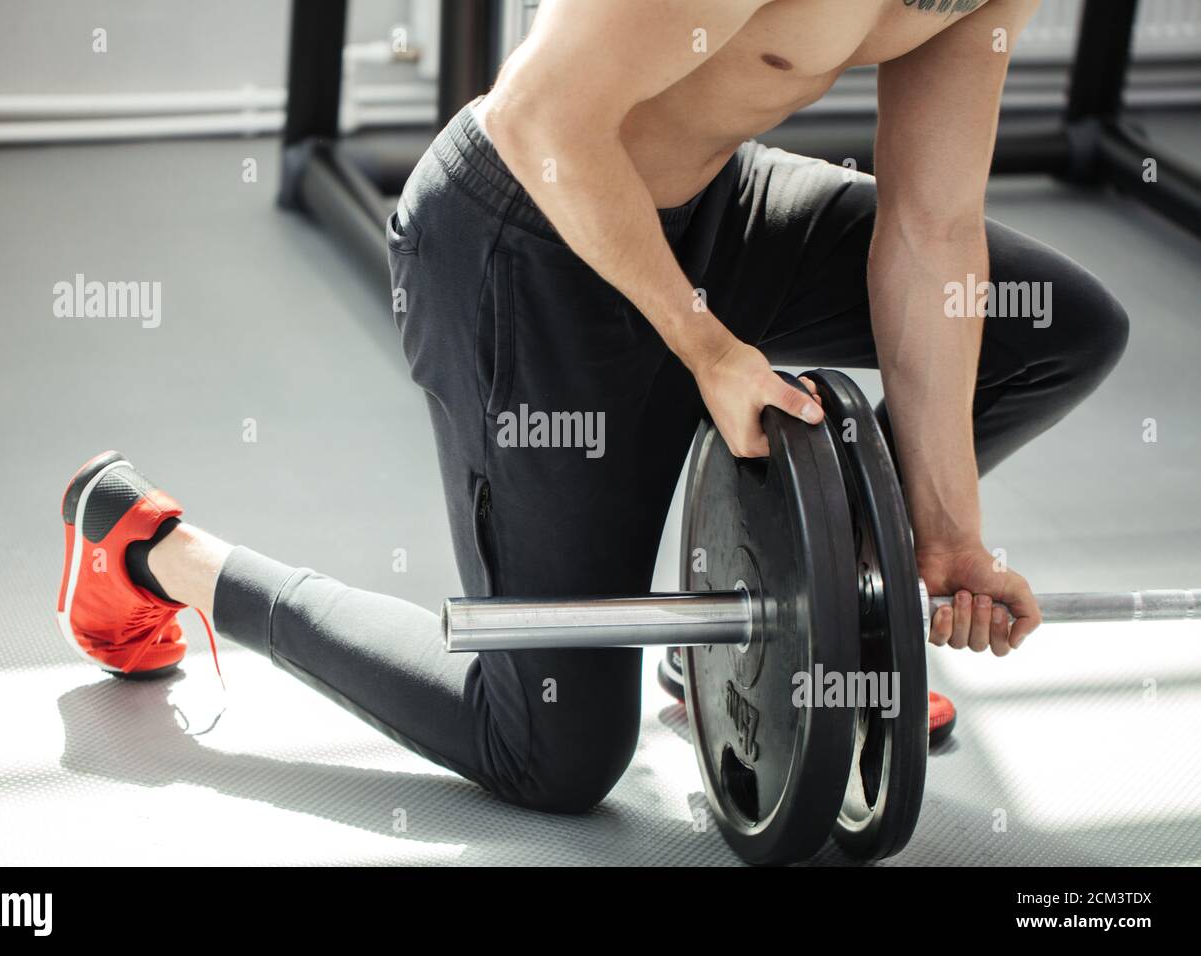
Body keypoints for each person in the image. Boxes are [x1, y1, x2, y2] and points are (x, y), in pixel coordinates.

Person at [56, 0, 1129, 815]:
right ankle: (158, 551)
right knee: (551, 754)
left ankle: (762, 617)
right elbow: (539, 116)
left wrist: (935, 535)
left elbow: (934, 227)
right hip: (527, 239)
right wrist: (706, 346)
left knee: (1059, 331)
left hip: (718, 212)